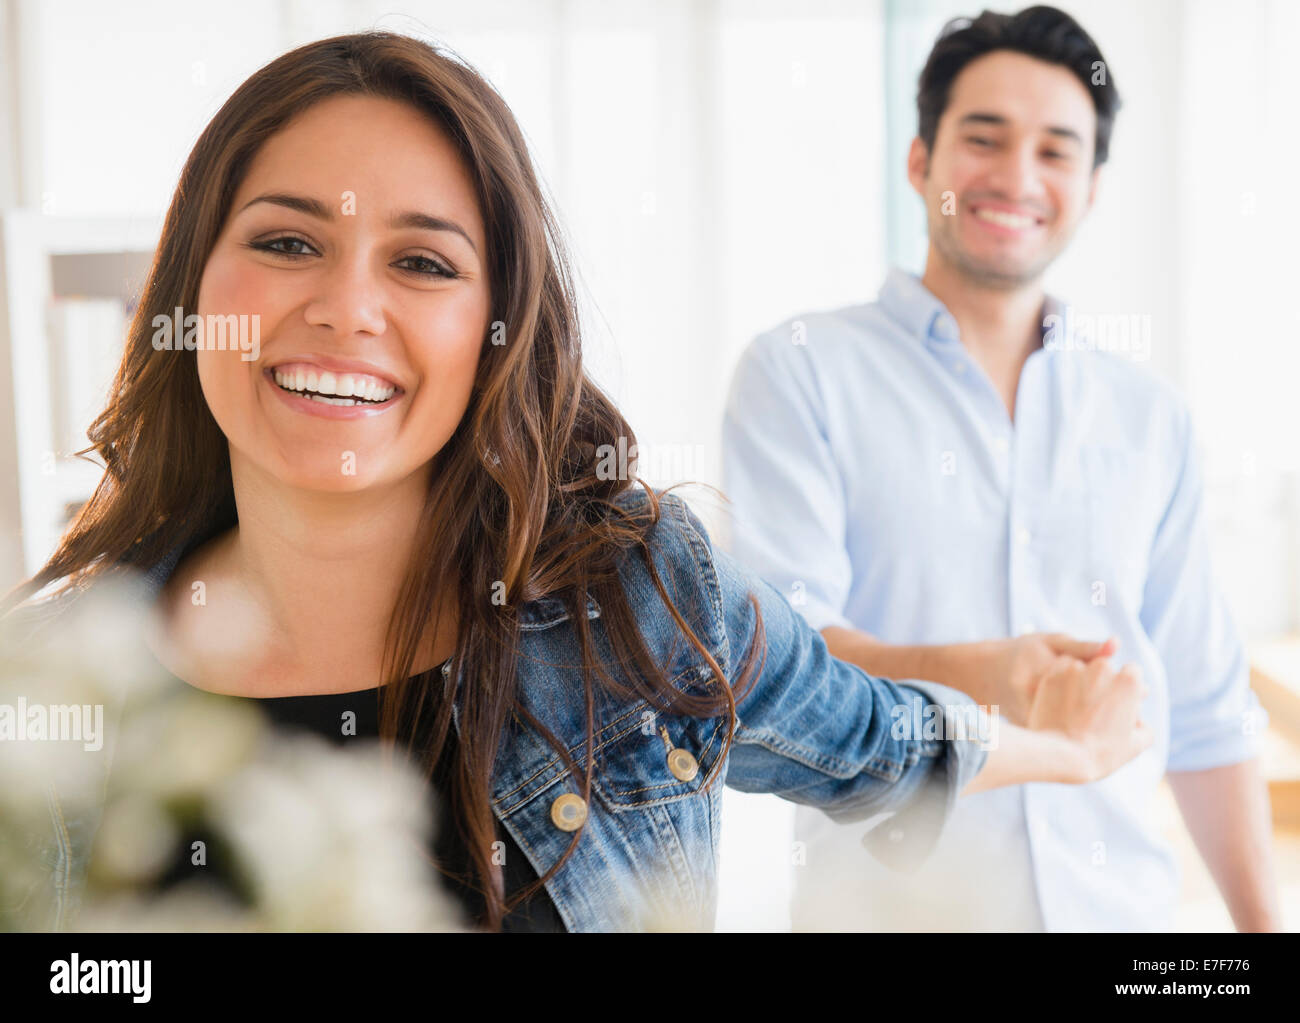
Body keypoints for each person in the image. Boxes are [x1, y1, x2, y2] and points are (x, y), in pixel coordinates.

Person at [4, 29, 1150, 935]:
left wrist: (1075, 752)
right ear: (194, 281)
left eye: (422, 262)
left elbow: (877, 744)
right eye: (288, 242)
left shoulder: (637, 599)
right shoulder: (60, 696)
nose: (347, 308)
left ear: (498, 329)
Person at [722, 6, 1280, 932]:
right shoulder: (800, 370)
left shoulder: (1152, 418)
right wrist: (995, 672)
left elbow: (1207, 715)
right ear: (920, 162)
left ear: (1092, 187)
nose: (1017, 176)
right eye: (984, 138)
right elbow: (784, 663)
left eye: (1057, 150)